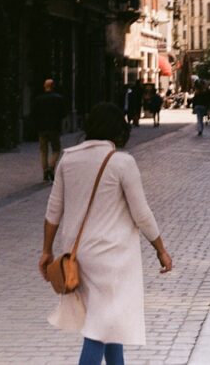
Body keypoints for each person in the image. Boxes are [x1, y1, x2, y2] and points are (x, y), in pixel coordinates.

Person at [38, 103, 172, 365]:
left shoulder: (68, 159)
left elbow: (53, 210)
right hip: (113, 259)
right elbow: (141, 213)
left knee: (110, 323)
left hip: (77, 255)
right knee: (100, 327)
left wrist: (46, 251)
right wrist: (161, 249)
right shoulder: (122, 162)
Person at [33, 78, 65, 182]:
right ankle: (51, 168)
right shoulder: (59, 98)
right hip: (54, 128)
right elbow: (63, 113)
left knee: (43, 151)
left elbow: (34, 113)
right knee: (56, 149)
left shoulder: (39, 99)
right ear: (53, 86)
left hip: (42, 128)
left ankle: (45, 173)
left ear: (45, 86)